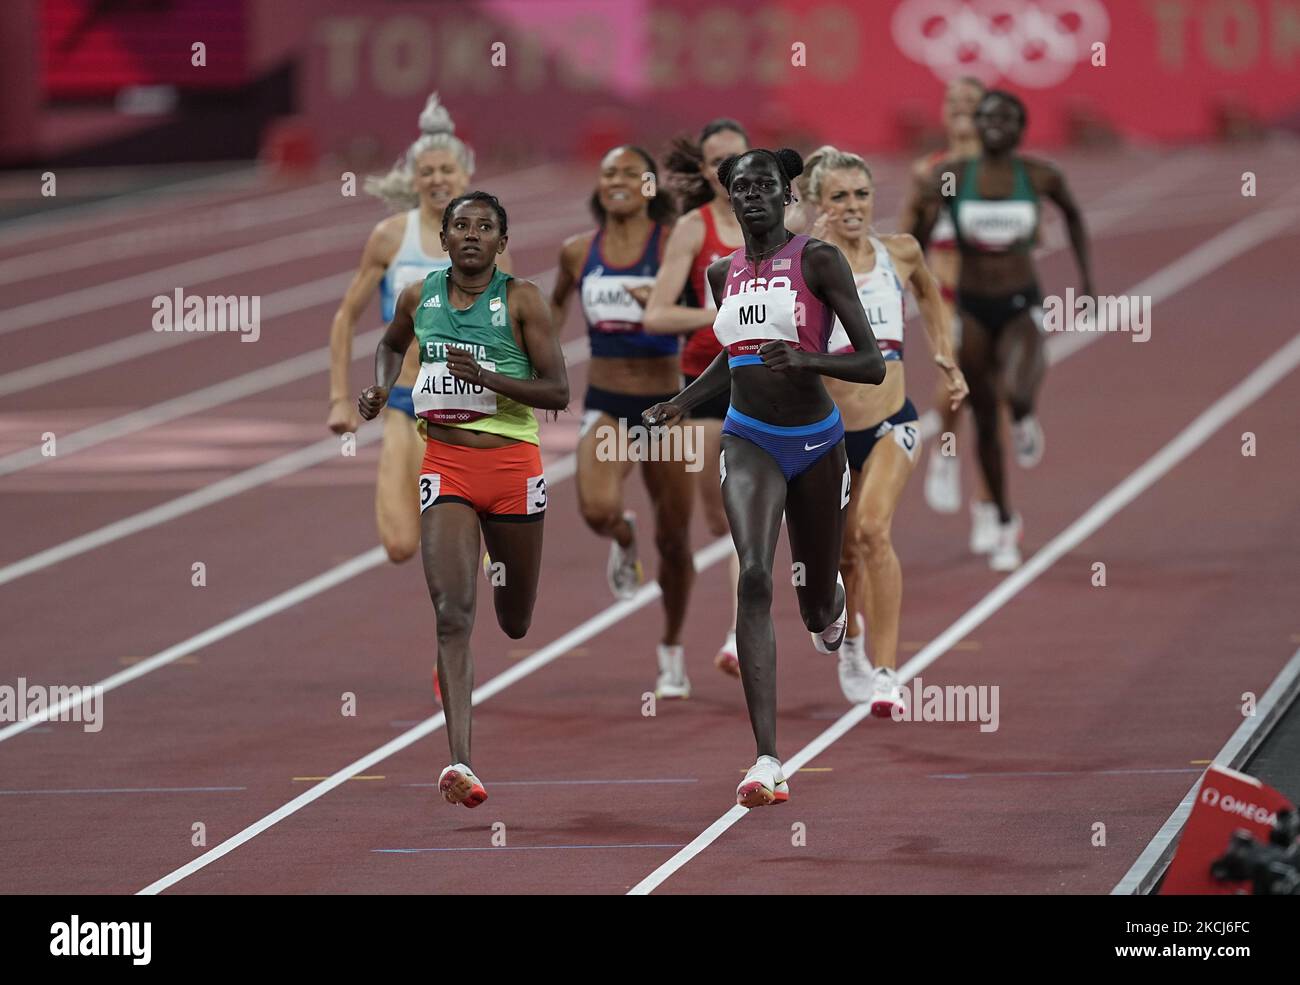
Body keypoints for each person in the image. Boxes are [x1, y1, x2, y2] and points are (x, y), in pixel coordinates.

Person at [644, 149, 886, 809]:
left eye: (765, 186)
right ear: (731, 196)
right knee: (753, 572)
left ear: (787, 196)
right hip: (747, 437)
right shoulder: (723, 271)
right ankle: (767, 759)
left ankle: (829, 601)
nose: (752, 195)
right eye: (741, 185)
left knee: (811, 603)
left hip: (815, 443)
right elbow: (734, 359)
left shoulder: (818, 261)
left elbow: (870, 364)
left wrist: (807, 359)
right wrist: (682, 402)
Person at [357, 192, 567, 808]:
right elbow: (391, 343)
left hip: (512, 467)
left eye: (485, 227)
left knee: (515, 619)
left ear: (502, 242)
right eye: (460, 226)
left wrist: (488, 379)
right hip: (445, 465)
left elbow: (556, 391)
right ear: (444, 239)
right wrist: (379, 384)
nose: (471, 235)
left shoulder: (523, 299)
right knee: (452, 613)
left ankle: (512, 598)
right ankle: (460, 762)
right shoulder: (418, 296)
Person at [798, 146, 967, 716]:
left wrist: (945, 354)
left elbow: (929, 293)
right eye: (839, 196)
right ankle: (852, 648)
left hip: (894, 421)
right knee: (844, 556)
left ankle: (890, 673)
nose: (853, 206)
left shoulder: (900, 250)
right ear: (817, 202)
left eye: (862, 194)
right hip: (827, 434)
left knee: (873, 531)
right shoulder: (804, 264)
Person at [329, 93, 512, 568]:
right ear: (414, 178)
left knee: (472, 549)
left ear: (464, 175)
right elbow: (346, 315)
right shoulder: (391, 236)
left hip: (469, 408)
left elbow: (512, 325)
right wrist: (336, 398)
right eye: (427, 171)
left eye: (446, 171)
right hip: (406, 400)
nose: (437, 179)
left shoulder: (488, 239)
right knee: (400, 545)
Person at [915, 89, 1092, 570]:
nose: (990, 124)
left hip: (1018, 302)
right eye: (982, 115)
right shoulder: (947, 176)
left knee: (1011, 392)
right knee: (976, 410)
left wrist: (1088, 281)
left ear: (1019, 127)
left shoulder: (1036, 174)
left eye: (1003, 117)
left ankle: (1024, 416)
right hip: (965, 302)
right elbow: (921, 231)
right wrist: (914, 278)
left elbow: (1070, 217)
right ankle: (997, 514)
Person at [551, 146, 697, 700]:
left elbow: (712, 297)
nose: (617, 180)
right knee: (596, 508)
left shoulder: (670, 246)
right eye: (608, 171)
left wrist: (665, 298)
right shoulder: (576, 251)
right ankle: (622, 535)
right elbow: (550, 310)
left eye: (631, 174)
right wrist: (535, 357)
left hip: (668, 404)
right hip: (609, 402)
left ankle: (672, 648)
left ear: (650, 187)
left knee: (676, 536)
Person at [643, 119, 750, 677]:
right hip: (705, 381)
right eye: (715, 161)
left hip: (763, 382)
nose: (727, 170)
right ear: (704, 170)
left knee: (741, 514)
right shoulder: (693, 227)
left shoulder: (787, 223)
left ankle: (739, 634)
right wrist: (722, 315)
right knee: (715, 514)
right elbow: (657, 312)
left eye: (736, 158)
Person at [896, 77, 987, 524]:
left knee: (997, 398)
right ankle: (947, 451)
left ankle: (991, 510)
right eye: (954, 101)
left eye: (971, 101)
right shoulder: (928, 170)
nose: (961, 108)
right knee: (956, 386)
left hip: (998, 296)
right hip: (950, 297)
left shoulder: (1003, 169)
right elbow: (909, 234)